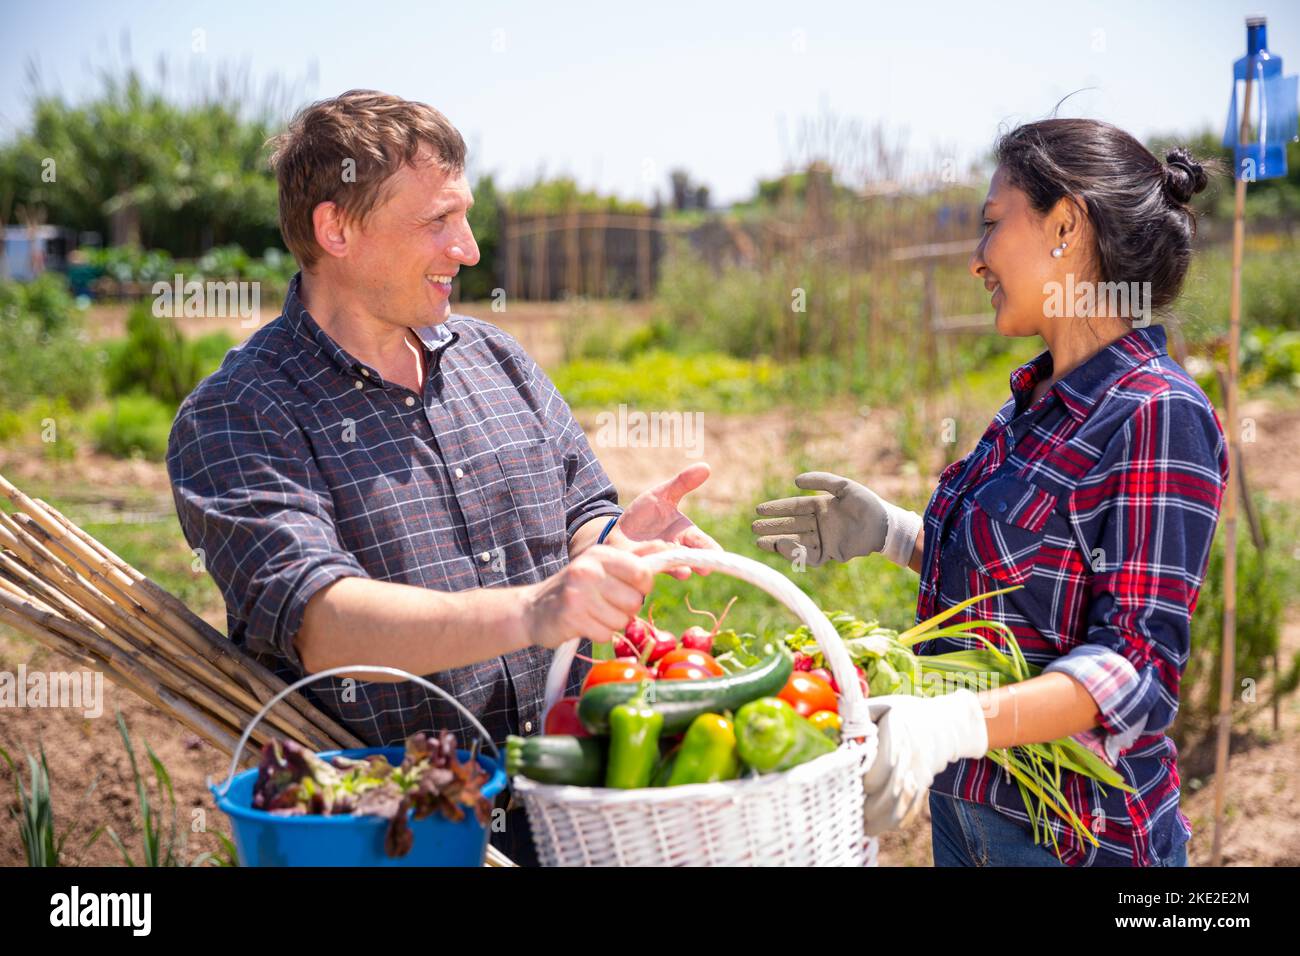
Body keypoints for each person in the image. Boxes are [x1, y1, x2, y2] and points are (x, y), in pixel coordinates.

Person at [166, 90, 719, 866]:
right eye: (437, 221)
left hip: (570, 796)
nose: (469, 250)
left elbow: (581, 508)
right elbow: (321, 621)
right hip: (395, 834)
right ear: (337, 229)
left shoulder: (496, 359)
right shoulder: (239, 412)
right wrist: (533, 611)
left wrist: (615, 543)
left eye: (464, 216)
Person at [753, 118, 1228, 867]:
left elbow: (1134, 664)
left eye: (990, 225)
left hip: (1079, 842)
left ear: (1066, 225)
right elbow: (1025, 587)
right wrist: (894, 534)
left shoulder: (1156, 414)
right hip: (973, 820)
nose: (977, 260)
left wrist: (953, 725)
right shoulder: (1032, 404)